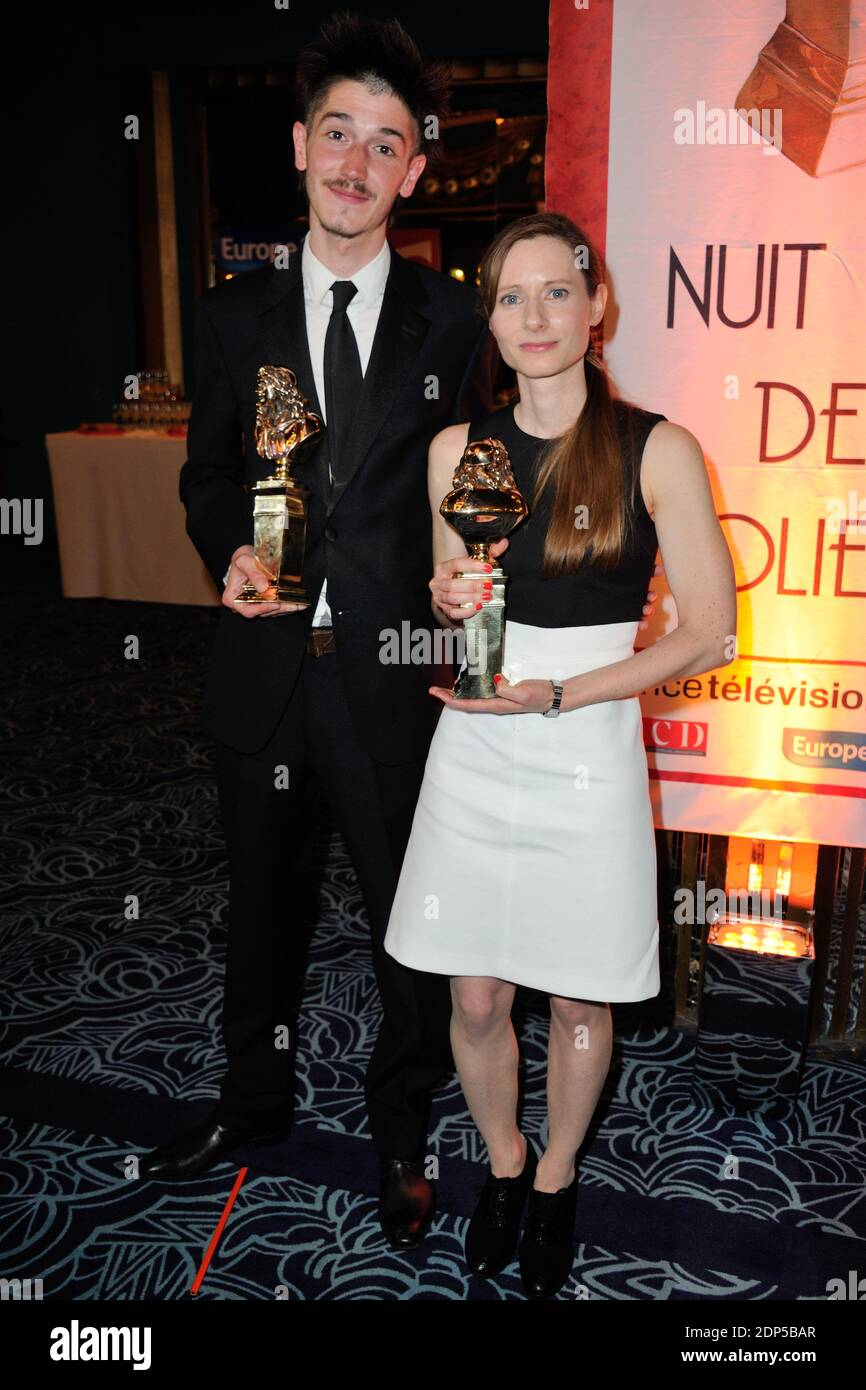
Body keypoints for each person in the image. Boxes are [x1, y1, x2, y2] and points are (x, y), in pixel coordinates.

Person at [137, 12, 501, 1251]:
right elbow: (204, 482)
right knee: (261, 914)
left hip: (394, 679)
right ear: (299, 146)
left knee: (409, 924)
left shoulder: (454, 323)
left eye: (384, 142)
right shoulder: (233, 316)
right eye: (335, 132)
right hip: (265, 671)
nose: (355, 161)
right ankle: (251, 1106)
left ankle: (401, 1134)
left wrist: (482, 587)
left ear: (413, 168)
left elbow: (475, 488)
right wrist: (222, 551)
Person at [384, 211, 737, 1295]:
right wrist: (448, 595)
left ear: (597, 309)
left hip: (581, 743)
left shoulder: (658, 448)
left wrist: (558, 695)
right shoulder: (458, 447)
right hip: (477, 746)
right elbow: (458, 602)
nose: (531, 316)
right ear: (486, 318)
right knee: (477, 998)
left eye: (554, 292)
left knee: (580, 1000)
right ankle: (501, 1160)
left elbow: (709, 630)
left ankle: (557, 1176)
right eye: (506, 296)